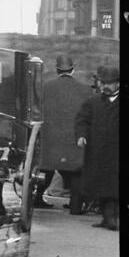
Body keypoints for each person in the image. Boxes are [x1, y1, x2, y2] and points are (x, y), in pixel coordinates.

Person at [36, 53, 91, 212]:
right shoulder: (85, 89)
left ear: (57, 70)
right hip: (73, 138)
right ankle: (75, 205)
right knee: (75, 171)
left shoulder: (45, 87)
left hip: (50, 138)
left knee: (46, 167)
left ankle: (38, 198)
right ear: (73, 70)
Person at [76, 64, 120, 230]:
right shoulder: (92, 102)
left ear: (118, 84)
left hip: (117, 152)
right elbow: (82, 121)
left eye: (110, 83)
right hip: (97, 151)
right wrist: (81, 135)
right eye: (103, 83)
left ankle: (112, 219)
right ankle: (107, 218)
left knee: (114, 186)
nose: (106, 86)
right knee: (100, 185)